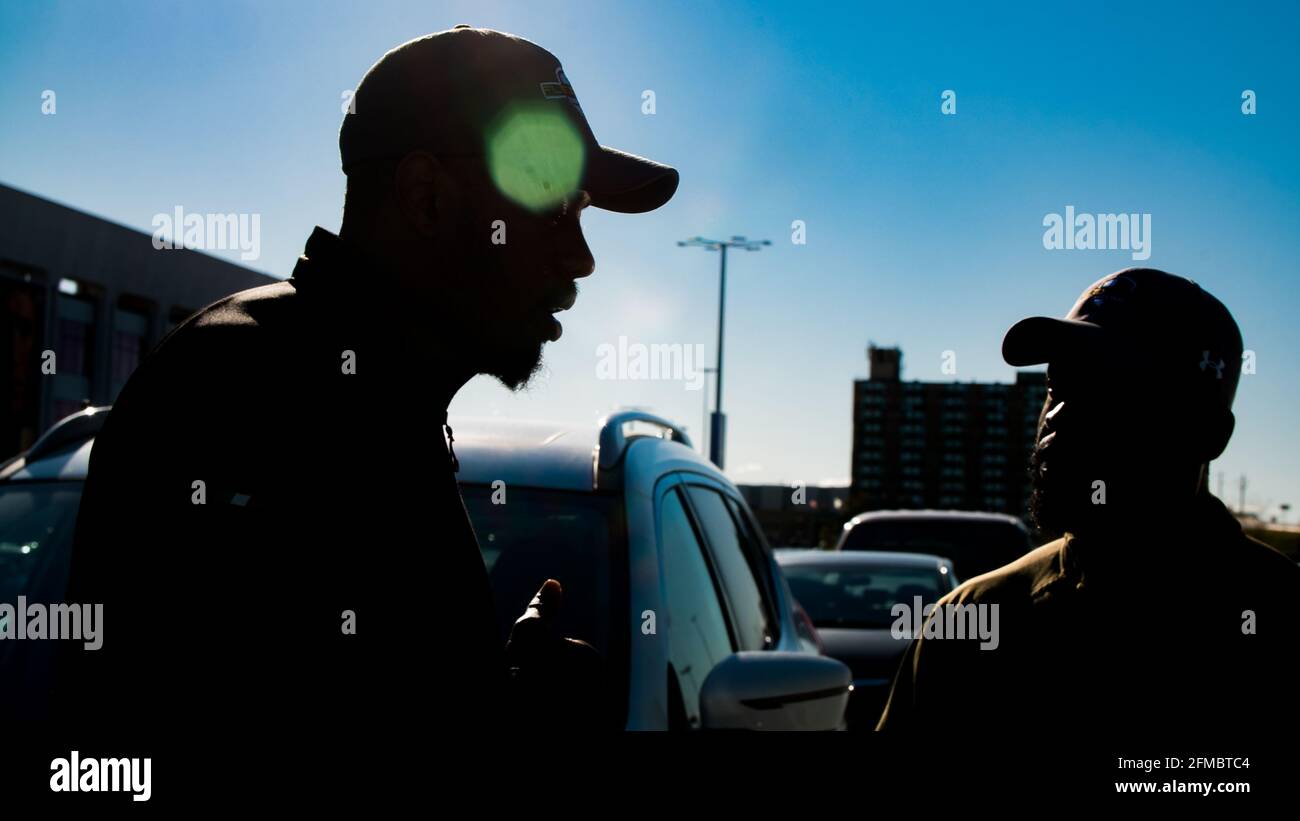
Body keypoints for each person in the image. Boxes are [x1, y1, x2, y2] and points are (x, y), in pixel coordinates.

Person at [58, 26, 677, 730]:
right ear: (426, 195)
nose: (581, 258)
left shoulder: (375, 397)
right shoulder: (246, 399)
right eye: (553, 202)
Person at [878, 268, 1300, 731]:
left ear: (1207, 432)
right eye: (1057, 385)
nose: (1058, 415)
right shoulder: (970, 621)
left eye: (1109, 387)